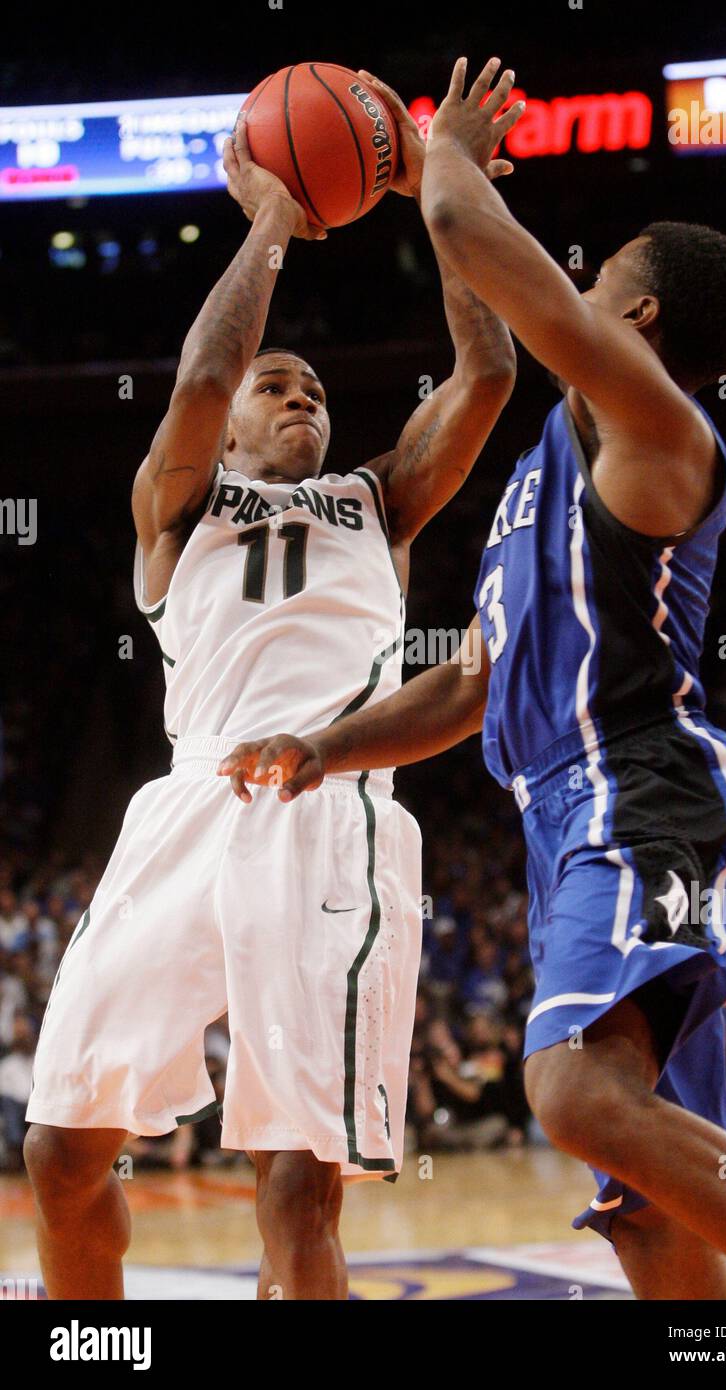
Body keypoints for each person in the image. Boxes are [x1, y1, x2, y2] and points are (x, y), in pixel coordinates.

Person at [218, 58, 726, 1300]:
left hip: (645, 790)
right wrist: (322, 747)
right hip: (566, 817)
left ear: (641, 316)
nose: (576, 279)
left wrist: (428, 152)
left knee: (568, 1090)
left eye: (598, 271)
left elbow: (467, 231)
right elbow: (467, 684)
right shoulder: (543, 475)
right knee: (649, 1221)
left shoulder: (657, 430)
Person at [22, 93, 516, 1301]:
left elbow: (488, 369)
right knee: (62, 1147)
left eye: (314, 391)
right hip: (189, 804)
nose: (300, 397)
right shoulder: (179, 506)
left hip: (331, 805)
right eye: (276, 386)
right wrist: (274, 221)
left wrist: (438, 183)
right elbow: (198, 375)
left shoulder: (379, 500)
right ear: (233, 427)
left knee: (295, 1184)